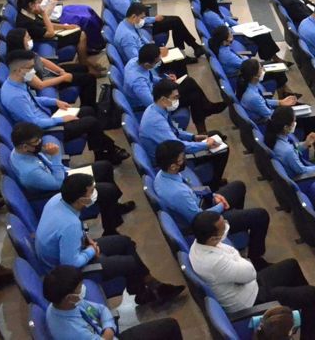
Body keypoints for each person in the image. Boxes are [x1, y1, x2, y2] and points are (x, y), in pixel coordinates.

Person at [36, 173, 185, 305]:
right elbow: (70, 263)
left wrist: (86, 238)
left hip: (76, 246)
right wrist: (91, 251)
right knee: (129, 263)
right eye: (91, 191)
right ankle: (149, 291)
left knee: (125, 242)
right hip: (64, 272)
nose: (95, 193)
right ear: (81, 200)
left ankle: (148, 288)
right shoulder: (69, 225)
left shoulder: (59, 199)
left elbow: (73, 228)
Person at [189, 212, 315, 340]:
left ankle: (312, 308)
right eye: (223, 228)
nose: (226, 227)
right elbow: (250, 271)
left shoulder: (198, 245)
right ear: (213, 238)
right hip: (250, 300)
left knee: (291, 265)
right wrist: (237, 257)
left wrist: (236, 258)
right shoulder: (214, 262)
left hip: (247, 285)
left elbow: (239, 261)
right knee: (312, 294)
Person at [153, 140, 271, 262]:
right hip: (205, 224)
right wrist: (221, 205)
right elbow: (200, 218)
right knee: (261, 216)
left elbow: (190, 189)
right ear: (173, 166)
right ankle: (256, 258)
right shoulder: (177, 194)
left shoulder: (163, 175)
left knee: (239, 186)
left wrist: (213, 195)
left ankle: (238, 227)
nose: (185, 160)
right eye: (182, 158)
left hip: (200, 204)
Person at [8, 122, 134, 234]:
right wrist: (56, 156)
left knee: (105, 167)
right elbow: (58, 183)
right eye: (36, 142)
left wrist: (71, 171)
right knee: (108, 191)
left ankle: (114, 210)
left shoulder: (22, 152)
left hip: (61, 176)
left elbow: (51, 167)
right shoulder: (30, 171)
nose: (40, 143)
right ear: (24, 146)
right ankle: (110, 230)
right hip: (58, 193)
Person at [2, 53, 128, 163]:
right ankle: (105, 153)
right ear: (19, 70)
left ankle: (105, 151)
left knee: (87, 111)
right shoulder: (14, 97)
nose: (33, 72)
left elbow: (32, 100)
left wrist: (55, 101)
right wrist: (62, 119)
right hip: (47, 129)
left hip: (46, 116)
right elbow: (35, 122)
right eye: (30, 68)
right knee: (91, 122)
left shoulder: (17, 83)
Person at [42, 265, 183, 339]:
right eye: (79, 288)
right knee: (170, 327)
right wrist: (108, 331)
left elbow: (101, 310)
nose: (82, 289)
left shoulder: (66, 303)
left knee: (169, 325)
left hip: (107, 334)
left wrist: (108, 329)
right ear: (69, 297)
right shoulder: (72, 332)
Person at [137, 78, 229, 187]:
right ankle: (214, 184)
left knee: (215, 134)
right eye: (175, 98)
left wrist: (193, 137)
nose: (178, 100)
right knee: (223, 150)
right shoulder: (156, 122)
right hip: (170, 160)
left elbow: (174, 131)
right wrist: (205, 145)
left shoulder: (156, 109)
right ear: (163, 99)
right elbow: (179, 147)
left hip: (171, 148)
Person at [124, 41, 226, 133]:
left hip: (155, 92)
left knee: (191, 88)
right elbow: (153, 104)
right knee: (192, 90)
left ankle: (203, 126)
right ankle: (206, 113)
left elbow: (150, 77)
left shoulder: (135, 61)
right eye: (157, 62)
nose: (159, 63)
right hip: (151, 106)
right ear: (147, 64)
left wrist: (164, 79)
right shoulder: (138, 83)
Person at [103, 0, 205, 56]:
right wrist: (153, 19)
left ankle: (189, 48)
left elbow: (136, 2)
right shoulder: (120, 0)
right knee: (175, 21)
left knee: (175, 20)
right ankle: (190, 48)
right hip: (140, 26)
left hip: (142, 18)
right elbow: (134, 19)